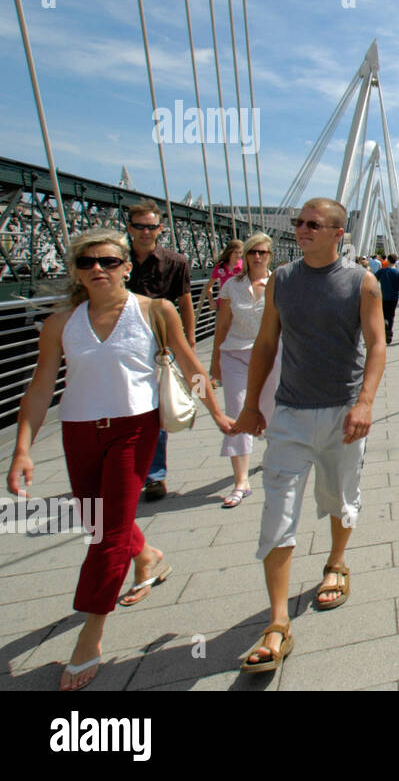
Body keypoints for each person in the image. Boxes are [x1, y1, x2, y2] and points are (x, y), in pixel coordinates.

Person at [7, 228, 232, 690]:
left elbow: (191, 365)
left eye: (109, 261)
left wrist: (220, 415)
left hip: (134, 428)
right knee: (100, 523)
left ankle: (90, 635)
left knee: (106, 536)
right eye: (87, 262)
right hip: (79, 431)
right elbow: (40, 387)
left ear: (127, 266)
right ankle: (147, 555)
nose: (98, 269)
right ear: (76, 270)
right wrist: (23, 449)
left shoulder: (154, 310)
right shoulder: (60, 324)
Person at [232, 198, 385, 673]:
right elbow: (266, 342)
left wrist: (365, 403)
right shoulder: (281, 280)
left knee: (341, 497)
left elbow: (377, 344)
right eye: (299, 223)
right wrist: (250, 403)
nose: (301, 230)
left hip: (343, 413)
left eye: (313, 224)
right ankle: (278, 624)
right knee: (277, 513)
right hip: (291, 414)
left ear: (338, 232)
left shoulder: (363, 283)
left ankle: (337, 562)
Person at [124, 201, 194, 502]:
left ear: (160, 229)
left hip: (158, 346)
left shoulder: (175, 262)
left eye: (151, 226)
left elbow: (185, 303)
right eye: (139, 226)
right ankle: (124, 466)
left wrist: (189, 343)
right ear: (129, 227)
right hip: (119, 342)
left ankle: (154, 475)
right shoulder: (114, 259)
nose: (145, 232)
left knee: (156, 408)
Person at [209, 232, 279, 508]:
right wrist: (215, 361)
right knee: (237, 413)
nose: (257, 257)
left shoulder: (277, 284)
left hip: (269, 355)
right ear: (245, 256)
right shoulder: (231, 286)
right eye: (252, 252)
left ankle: (272, 451)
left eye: (262, 252)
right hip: (234, 355)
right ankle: (241, 481)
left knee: (269, 410)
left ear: (270, 256)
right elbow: (223, 323)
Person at [199, 240, 244, 313]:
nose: (238, 255)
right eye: (235, 252)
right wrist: (211, 301)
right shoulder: (220, 267)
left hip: (239, 307)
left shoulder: (244, 267)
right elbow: (208, 286)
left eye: (240, 253)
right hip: (223, 306)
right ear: (230, 252)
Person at [376, 253, 399, 345]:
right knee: (391, 315)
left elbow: (373, 280)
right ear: (396, 261)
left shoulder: (382, 271)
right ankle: (389, 332)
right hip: (394, 297)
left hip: (383, 296)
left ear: (388, 260)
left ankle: (385, 328)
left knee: (383, 315)